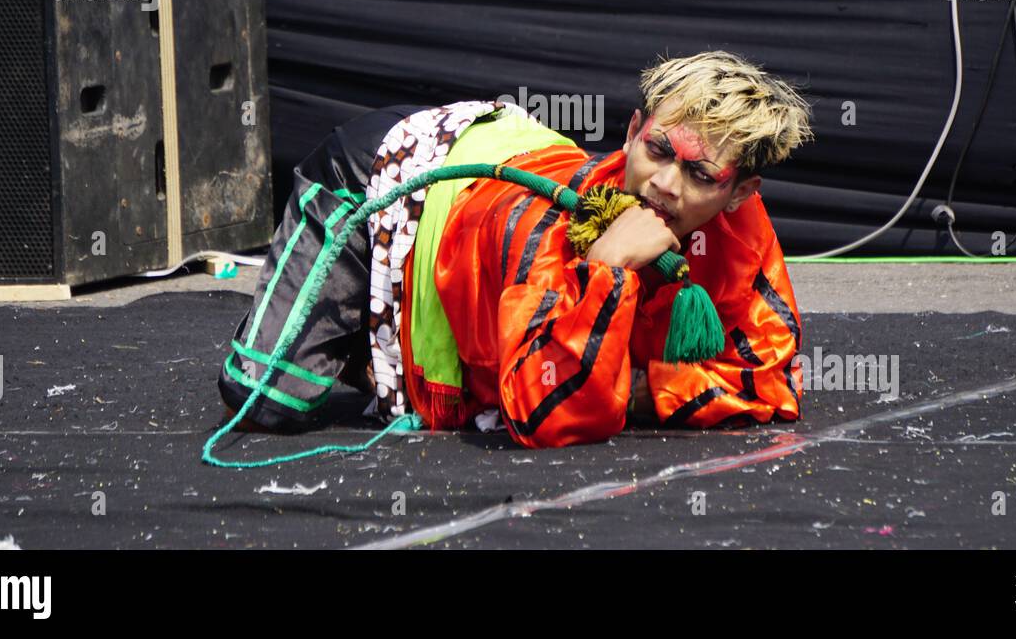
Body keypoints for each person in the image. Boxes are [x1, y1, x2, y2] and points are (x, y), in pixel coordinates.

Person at [218, 50, 813, 449]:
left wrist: (632, 387)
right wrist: (606, 270)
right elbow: (540, 408)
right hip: (384, 171)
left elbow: (771, 377)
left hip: (492, 172)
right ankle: (358, 321)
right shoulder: (548, 231)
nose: (665, 185)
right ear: (632, 132)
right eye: (657, 150)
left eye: (701, 177)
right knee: (267, 401)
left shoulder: (742, 236)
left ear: (740, 193)